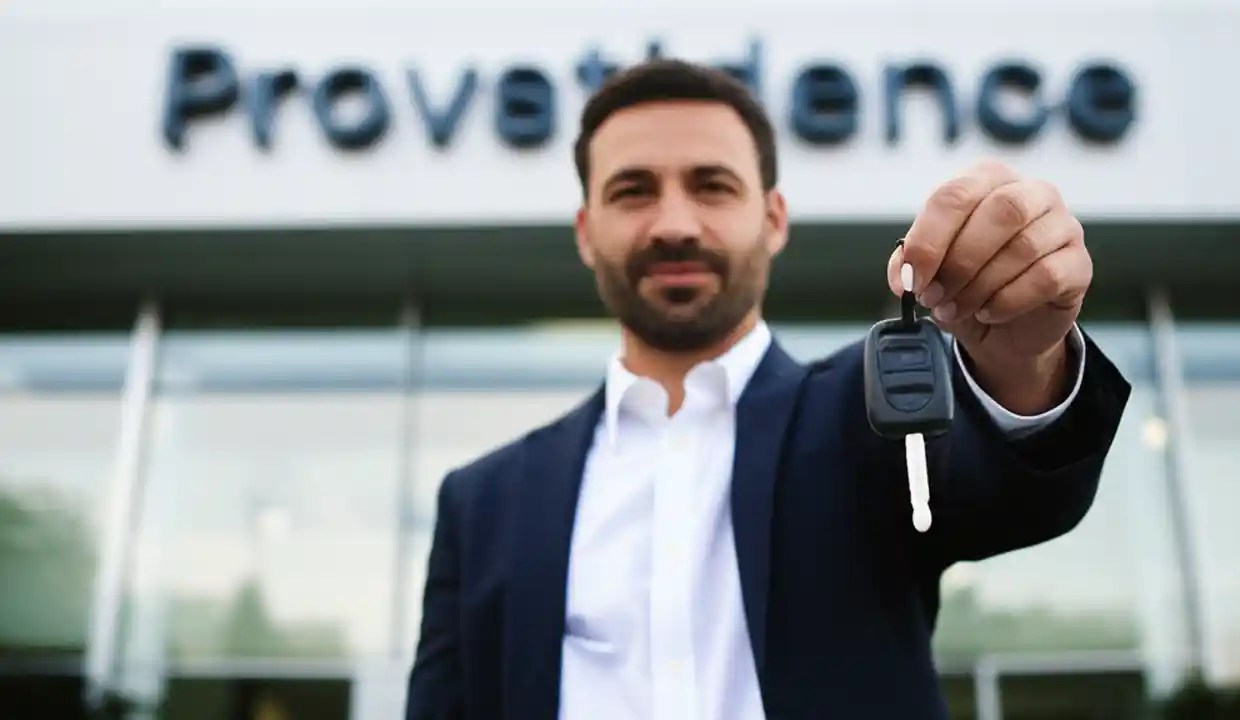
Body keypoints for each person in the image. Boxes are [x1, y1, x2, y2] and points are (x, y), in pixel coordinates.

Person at [404, 59, 1131, 720]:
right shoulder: (482, 504)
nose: (675, 224)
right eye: (633, 192)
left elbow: (1018, 489)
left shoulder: (867, 415)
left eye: (712, 186)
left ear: (774, 219)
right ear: (587, 232)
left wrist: (1026, 357)